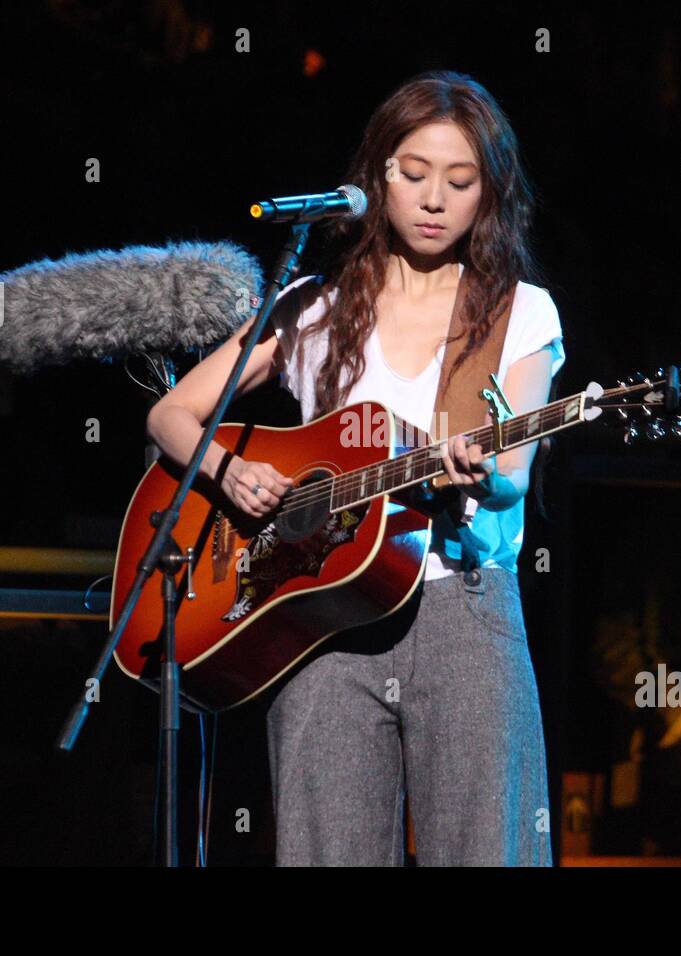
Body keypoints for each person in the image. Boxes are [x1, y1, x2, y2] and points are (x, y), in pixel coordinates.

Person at [146, 71, 564, 866]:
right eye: (413, 175)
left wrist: (479, 475)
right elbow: (170, 414)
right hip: (320, 614)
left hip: (462, 609)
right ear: (374, 179)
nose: (435, 199)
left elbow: (511, 473)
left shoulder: (519, 310)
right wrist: (231, 473)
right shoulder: (310, 306)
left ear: (489, 193)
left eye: (460, 180)